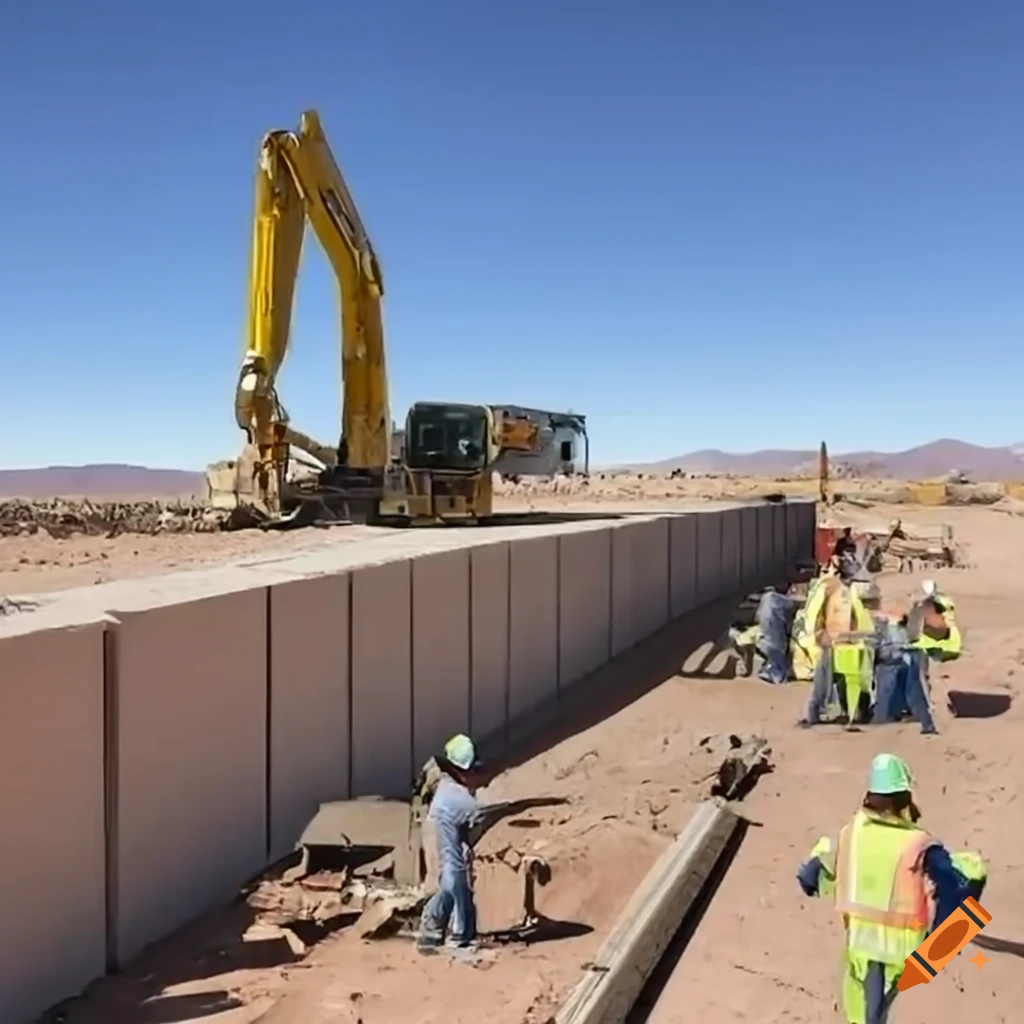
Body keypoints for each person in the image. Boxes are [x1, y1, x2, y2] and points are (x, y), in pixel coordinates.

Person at [796, 754, 987, 1024]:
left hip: (861, 940)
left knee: (866, 1006)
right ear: (904, 799)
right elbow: (953, 883)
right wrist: (946, 932)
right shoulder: (919, 843)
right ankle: (943, 950)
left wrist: (817, 880)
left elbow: (808, 876)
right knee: (973, 870)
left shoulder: (850, 834)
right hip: (906, 946)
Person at [417, 733, 485, 955]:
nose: (477, 775)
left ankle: (441, 932)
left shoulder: (447, 787)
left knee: (452, 882)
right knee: (452, 882)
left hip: (441, 834)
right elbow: (477, 818)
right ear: (460, 771)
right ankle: (445, 931)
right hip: (444, 841)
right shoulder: (460, 799)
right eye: (473, 770)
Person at [799, 577, 877, 727]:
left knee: (851, 680)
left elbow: (859, 620)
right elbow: (817, 618)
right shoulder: (828, 589)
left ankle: (855, 712)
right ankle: (813, 715)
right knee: (823, 681)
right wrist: (822, 637)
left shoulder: (852, 595)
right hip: (831, 644)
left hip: (848, 645)